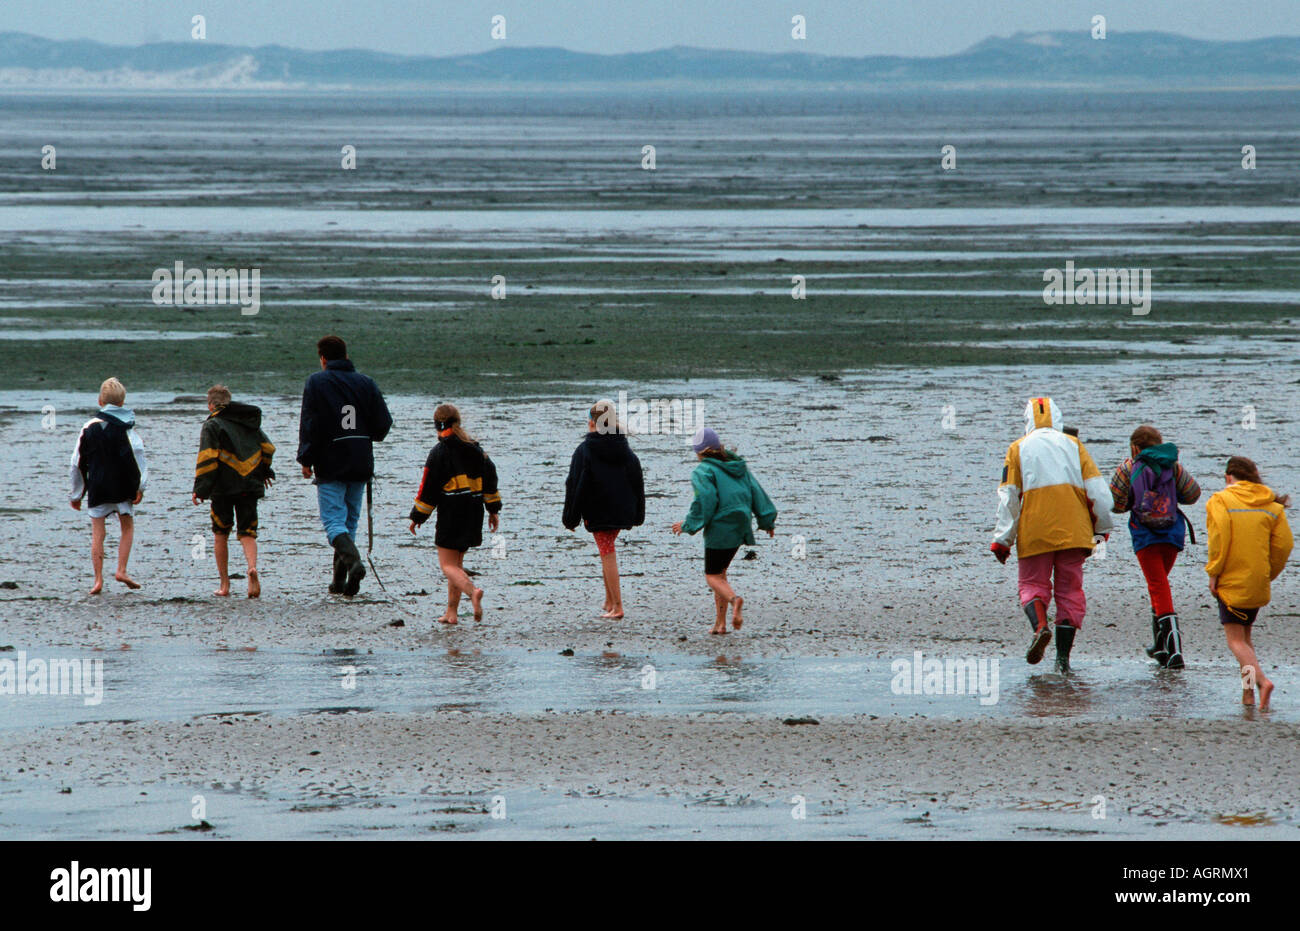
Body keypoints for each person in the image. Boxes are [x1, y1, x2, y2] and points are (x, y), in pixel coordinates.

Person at [991, 397, 1113, 672]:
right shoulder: (1074, 445)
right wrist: (1102, 527)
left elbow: (1008, 498)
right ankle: (1062, 662)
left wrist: (1002, 540)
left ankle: (1040, 628)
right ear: (1056, 418)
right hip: (1075, 531)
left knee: (1032, 584)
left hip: (1036, 530)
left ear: (1028, 420)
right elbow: (1098, 491)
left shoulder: (1017, 449)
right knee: (1070, 591)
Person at [297, 335, 393, 596]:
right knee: (349, 522)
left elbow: (310, 423)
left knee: (333, 523)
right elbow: (384, 424)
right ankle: (340, 582)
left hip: (330, 461)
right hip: (361, 459)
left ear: (323, 359)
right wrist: (364, 436)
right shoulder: (366, 382)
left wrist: (306, 459)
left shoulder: (316, 382)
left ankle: (354, 564)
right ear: (347, 356)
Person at [1109, 425, 1201, 668]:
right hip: (1173, 534)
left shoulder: (1128, 467)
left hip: (1146, 536)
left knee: (1158, 586)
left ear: (1134, 447)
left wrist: (1133, 500)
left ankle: (1174, 652)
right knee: (1159, 586)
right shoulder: (1173, 465)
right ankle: (1160, 646)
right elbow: (1193, 494)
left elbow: (1115, 504)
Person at [671, 426, 777, 635]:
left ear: (699, 451)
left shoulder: (703, 471)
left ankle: (735, 600)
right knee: (721, 573)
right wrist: (767, 520)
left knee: (712, 576)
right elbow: (757, 492)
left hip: (721, 528)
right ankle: (720, 624)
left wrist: (688, 524)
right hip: (741, 525)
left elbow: (705, 501)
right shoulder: (736, 465)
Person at [1205, 456, 1292, 710]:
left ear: (1228, 477)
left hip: (1231, 581)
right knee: (1245, 639)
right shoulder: (1272, 506)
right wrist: (1267, 574)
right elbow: (1284, 546)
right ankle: (1248, 694)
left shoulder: (1220, 500)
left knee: (1235, 641)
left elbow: (1219, 540)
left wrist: (1214, 572)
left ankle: (1262, 682)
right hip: (1256, 581)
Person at [407, 404, 502, 625]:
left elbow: (427, 489)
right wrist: (493, 509)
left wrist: (417, 517)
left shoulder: (438, 453)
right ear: (457, 422)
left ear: (436, 426)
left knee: (447, 566)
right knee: (456, 566)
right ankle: (452, 613)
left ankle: (472, 591)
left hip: (451, 514)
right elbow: (491, 479)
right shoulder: (476, 450)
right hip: (473, 512)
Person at [562, 400, 646, 619]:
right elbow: (638, 481)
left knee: (607, 553)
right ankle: (609, 601)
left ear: (592, 422)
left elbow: (574, 485)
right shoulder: (626, 450)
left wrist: (570, 519)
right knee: (605, 550)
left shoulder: (585, 450)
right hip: (622, 510)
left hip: (598, 511)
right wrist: (638, 515)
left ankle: (618, 606)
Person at [192, 385, 276, 598]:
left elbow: (208, 458)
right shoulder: (249, 422)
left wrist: (200, 490)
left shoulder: (212, 425)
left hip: (223, 488)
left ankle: (224, 585)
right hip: (249, 485)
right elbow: (268, 448)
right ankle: (252, 568)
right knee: (248, 532)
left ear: (210, 405)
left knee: (221, 533)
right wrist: (264, 471)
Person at [69, 377, 148, 594]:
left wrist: (76, 494)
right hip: (123, 486)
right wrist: (140, 487)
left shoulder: (88, 427)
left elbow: (76, 462)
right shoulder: (127, 427)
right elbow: (138, 455)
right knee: (127, 527)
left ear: (99, 401)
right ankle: (121, 570)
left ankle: (97, 580)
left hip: (98, 487)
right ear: (122, 403)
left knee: (98, 534)